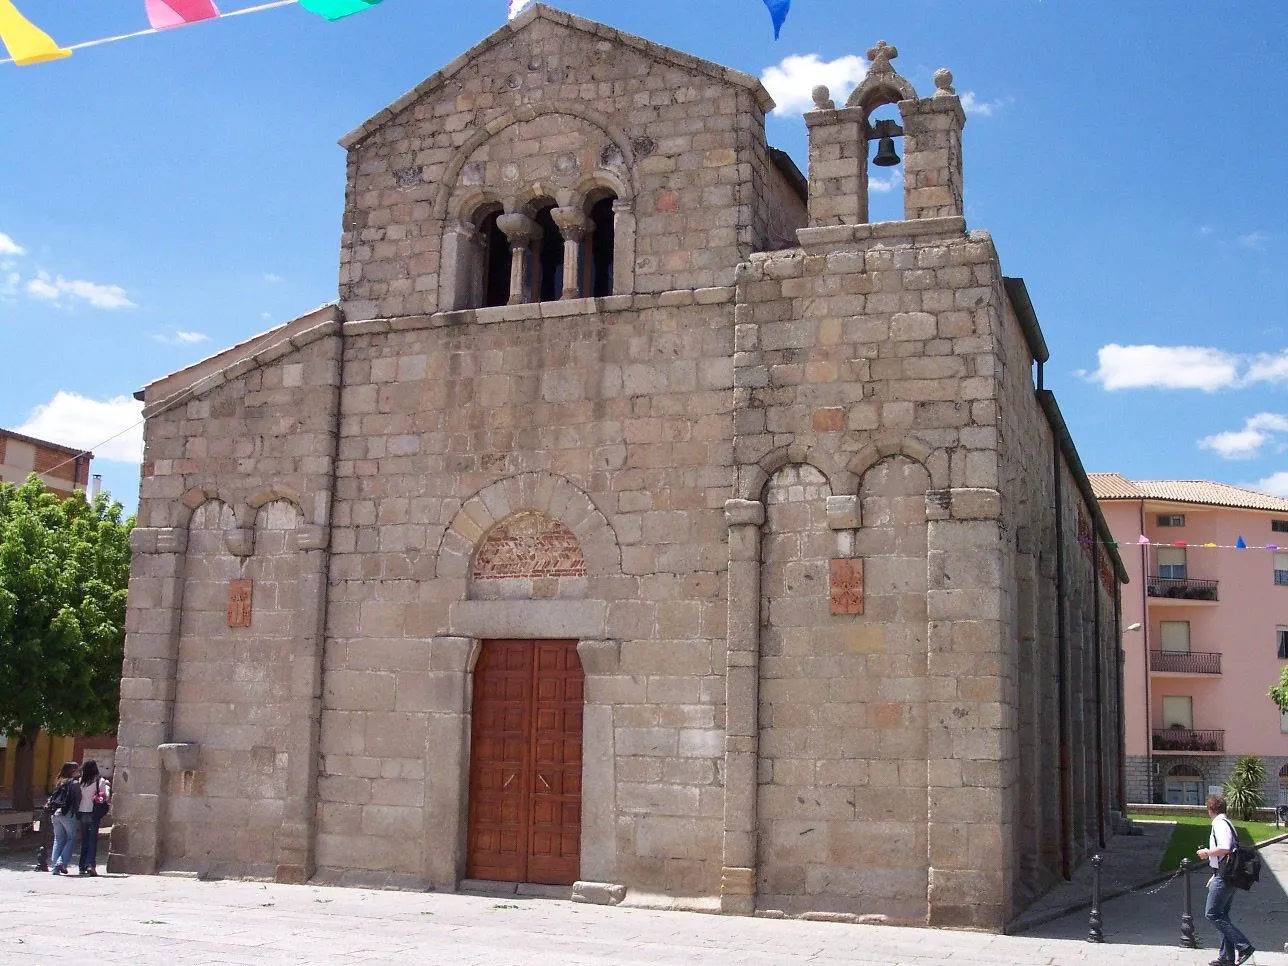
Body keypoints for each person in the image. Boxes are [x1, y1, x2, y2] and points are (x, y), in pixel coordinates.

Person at [1196, 793, 1255, 966]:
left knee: (1212, 913)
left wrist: (1206, 852)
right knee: (1222, 915)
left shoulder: (1219, 824)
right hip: (1226, 874)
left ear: (1210, 810)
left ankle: (1244, 946)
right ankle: (1226, 957)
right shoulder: (1227, 823)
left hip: (1225, 876)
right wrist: (1213, 876)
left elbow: (1225, 847)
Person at [76, 759, 110, 877]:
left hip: (82, 811)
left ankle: (82, 865)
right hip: (93, 812)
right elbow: (105, 796)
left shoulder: (80, 781)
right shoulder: (99, 781)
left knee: (84, 840)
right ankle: (91, 864)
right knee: (92, 840)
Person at [47, 762, 81, 875]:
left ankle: (54, 868)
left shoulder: (58, 782)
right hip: (67, 813)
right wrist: (77, 813)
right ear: (72, 771)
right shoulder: (75, 783)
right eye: (77, 769)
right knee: (71, 838)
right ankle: (61, 862)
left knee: (58, 839)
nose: (79, 772)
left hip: (55, 813)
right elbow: (77, 800)